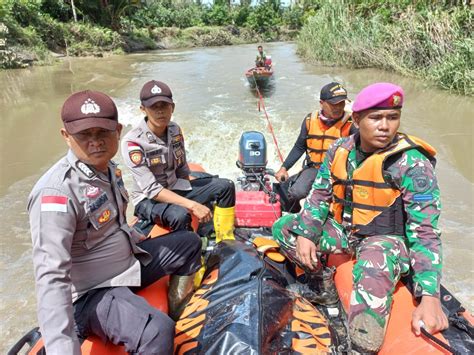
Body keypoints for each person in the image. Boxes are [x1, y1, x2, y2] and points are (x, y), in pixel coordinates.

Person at [272, 83, 448, 353]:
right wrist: (307, 233)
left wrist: (429, 294)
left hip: (386, 241)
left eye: (392, 117)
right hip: (346, 232)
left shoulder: (412, 163)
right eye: (376, 117)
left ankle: (360, 347)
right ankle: (324, 288)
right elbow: (319, 197)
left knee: (374, 265)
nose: (385, 126)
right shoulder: (339, 151)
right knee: (284, 228)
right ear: (357, 119)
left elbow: (425, 231)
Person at [28, 90, 202, 354]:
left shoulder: (109, 169)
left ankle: (180, 311)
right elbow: (51, 278)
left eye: (103, 133)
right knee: (156, 330)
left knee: (189, 243)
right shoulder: (56, 194)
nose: (95, 142)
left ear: (118, 132)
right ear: (66, 136)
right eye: (84, 135)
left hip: (129, 263)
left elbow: (115, 222)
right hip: (93, 292)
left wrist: (134, 238)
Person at [121, 80, 236, 243]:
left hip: (175, 187)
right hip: (148, 200)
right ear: (143, 109)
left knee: (226, 186)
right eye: (154, 107)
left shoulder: (175, 130)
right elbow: (152, 190)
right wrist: (193, 205)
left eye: (164, 105)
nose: (160, 111)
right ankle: (192, 260)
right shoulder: (133, 142)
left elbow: (182, 167)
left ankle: (225, 240)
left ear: (172, 107)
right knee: (180, 215)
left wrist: (201, 190)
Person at [274, 82, 356, 212]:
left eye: (341, 103)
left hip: (339, 172)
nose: (338, 108)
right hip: (314, 168)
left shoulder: (351, 124)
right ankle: (295, 184)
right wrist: (284, 168)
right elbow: (299, 147)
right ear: (322, 103)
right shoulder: (309, 120)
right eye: (333, 104)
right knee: (296, 193)